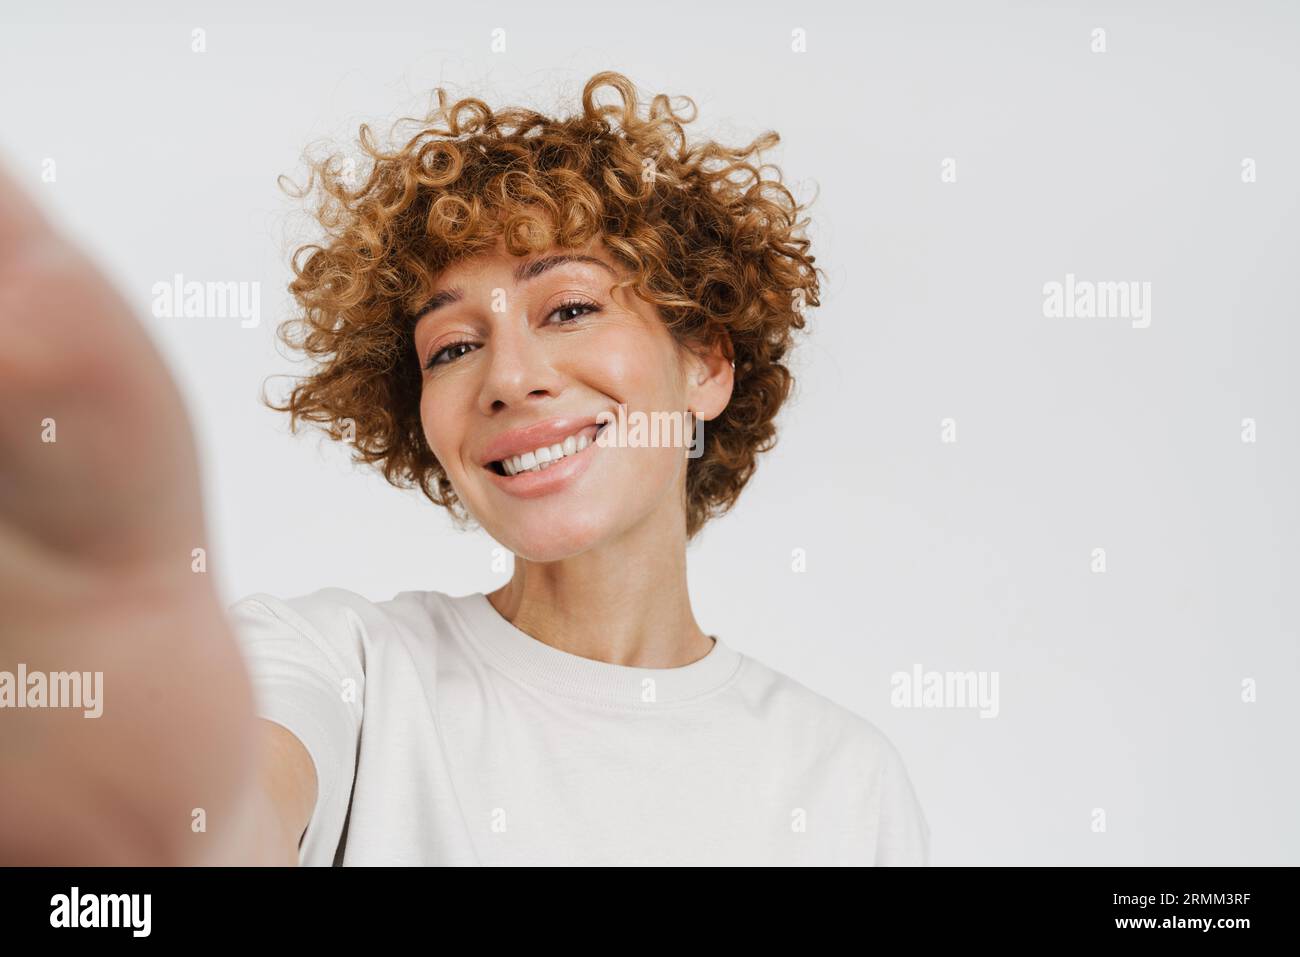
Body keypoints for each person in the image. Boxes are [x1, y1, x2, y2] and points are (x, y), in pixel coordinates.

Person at [0, 71, 930, 866]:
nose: (509, 377)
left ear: (705, 363)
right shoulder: (347, 667)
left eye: (567, 308)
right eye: (452, 346)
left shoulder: (844, 782)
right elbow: (235, 812)